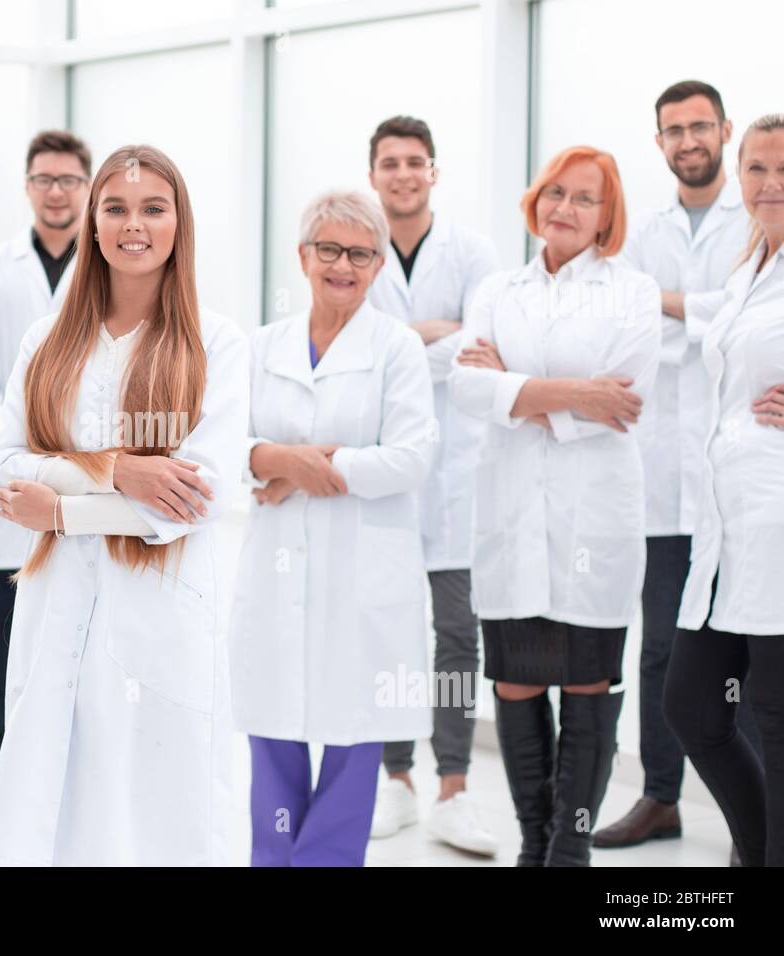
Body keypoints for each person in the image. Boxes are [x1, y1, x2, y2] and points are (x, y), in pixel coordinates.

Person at [0, 144, 249, 865]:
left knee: (156, 809)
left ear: (178, 224)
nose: (135, 224)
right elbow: (4, 468)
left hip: (157, 610)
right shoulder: (48, 340)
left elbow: (192, 499)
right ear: (93, 225)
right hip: (55, 601)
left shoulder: (214, 343)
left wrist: (61, 508)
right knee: (50, 800)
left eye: (154, 208)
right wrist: (116, 470)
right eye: (116, 208)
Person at [449, 145, 661, 866]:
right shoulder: (498, 289)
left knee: (586, 678)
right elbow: (467, 387)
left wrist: (516, 388)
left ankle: (569, 849)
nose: (564, 209)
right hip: (510, 514)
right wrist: (573, 392)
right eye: (554, 192)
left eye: (584, 199)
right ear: (535, 199)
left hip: (592, 519)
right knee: (514, 678)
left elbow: (625, 401)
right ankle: (532, 844)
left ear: (608, 218)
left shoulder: (631, 292)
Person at [231, 190, 435, 866]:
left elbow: (411, 458)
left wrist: (306, 469)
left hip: (361, 574)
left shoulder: (397, 348)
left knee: (353, 735)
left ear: (378, 265)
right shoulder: (261, 347)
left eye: (359, 253)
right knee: (274, 727)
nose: (342, 265)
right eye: (329, 250)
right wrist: (277, 460)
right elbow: (224, 443)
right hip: (277, 569)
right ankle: (275, 858)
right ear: (303, 256)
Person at [596, 81, 765, 854]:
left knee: (758, 662)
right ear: (659, 141)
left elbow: (702, 322)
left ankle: (748, 827)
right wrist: (683, 311)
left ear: (722, 132)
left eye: (701, 126)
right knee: (667, 651)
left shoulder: (755, 222)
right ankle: (661, 797)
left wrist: (672, 308)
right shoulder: (644, 233)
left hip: (755, 492)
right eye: (674, 129)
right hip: (667, 482)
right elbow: (621, 325)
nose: (688, 139)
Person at [362, 115, 500, 855]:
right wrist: (425, 337)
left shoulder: (473, 252)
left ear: (434, 172)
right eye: (390, 163)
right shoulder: (357, 248)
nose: (404, 174)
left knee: (455, 633)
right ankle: (396, 778)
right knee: (387, 627)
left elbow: (478, 351)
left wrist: (397, 345)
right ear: (374, 174)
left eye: (416, 161)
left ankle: (453, 788)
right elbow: (355, 349)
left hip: (454, 477)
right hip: (383, 475)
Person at [0, 130, 89, 793]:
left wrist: (66, 446)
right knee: (4, 615)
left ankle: (73, 751)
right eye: (44, 179)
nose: (56, 191)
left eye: (68, 179)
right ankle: (6, 745)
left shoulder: (111, 263)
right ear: (28, 187)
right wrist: (13, 440)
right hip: (11, 469)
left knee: (83, 610)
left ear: (86, 186)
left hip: (87, 465)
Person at [666, 113, 784, 867]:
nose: (771, 186)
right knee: (693, 709)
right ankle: (758, 846)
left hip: (777, 527)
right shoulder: (749, 272)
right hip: (725, 533)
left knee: (774, 718)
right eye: (759, 170)